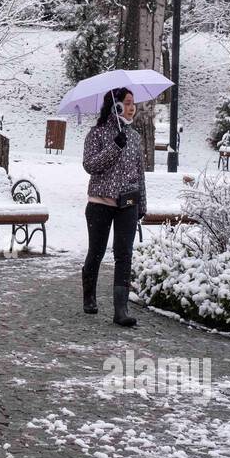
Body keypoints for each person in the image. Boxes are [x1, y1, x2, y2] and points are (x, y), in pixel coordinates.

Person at [81, 87, 147, 328]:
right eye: (127, 103)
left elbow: (139, 173)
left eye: (133, 103)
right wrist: (114, 147)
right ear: (116, 105)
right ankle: (89, 296)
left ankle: (121, 309)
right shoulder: (96, 134)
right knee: (96, 252)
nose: (132, 107)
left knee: (124, 254)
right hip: (100, 203)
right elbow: (90, 165)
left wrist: (141, 204)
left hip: (127, 203)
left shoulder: (135, 136)